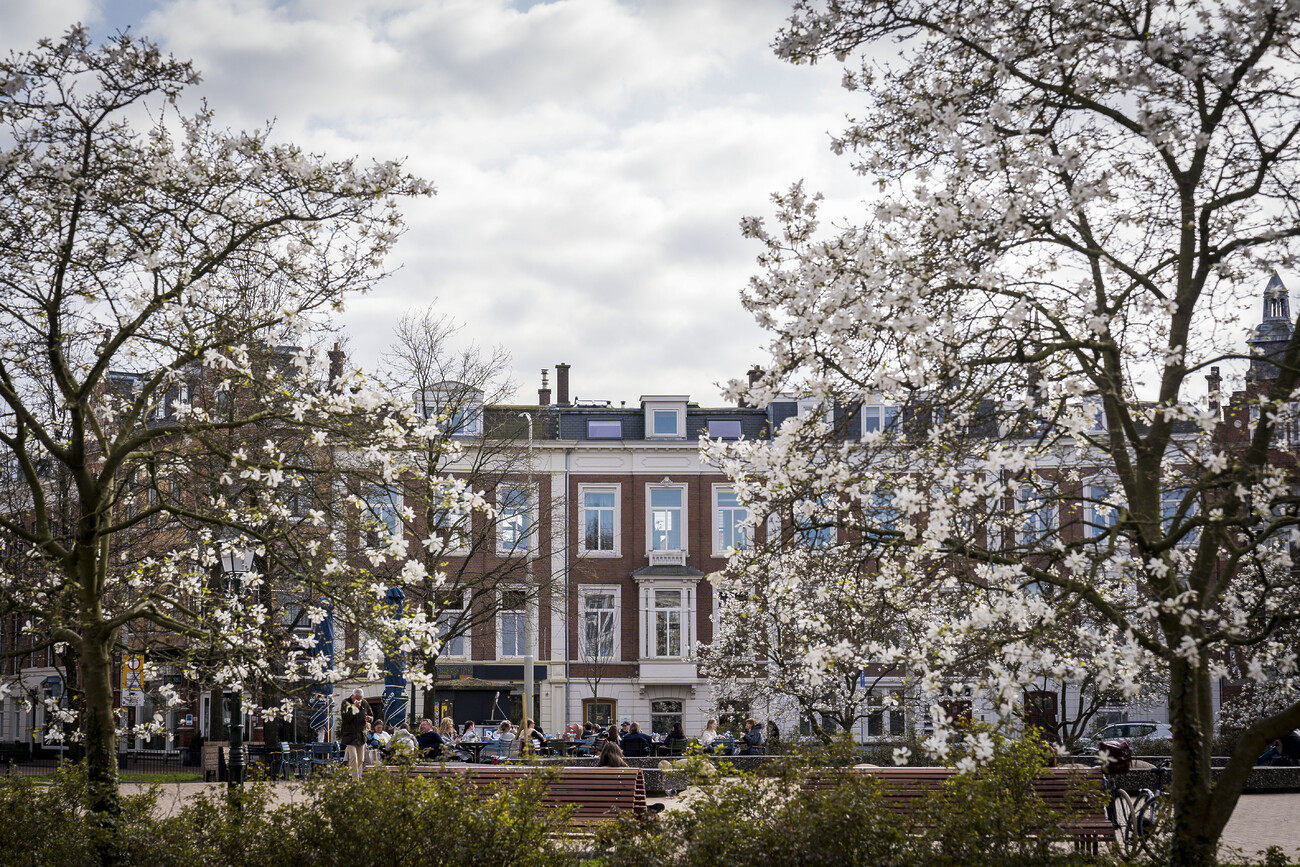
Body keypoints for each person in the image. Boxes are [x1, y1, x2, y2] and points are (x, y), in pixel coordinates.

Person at [339, 688, 371, 780]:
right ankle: (355, 781)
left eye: (360, 699)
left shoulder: (364, 703)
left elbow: (371, 714)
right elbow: (345, 718)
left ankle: (349, 772)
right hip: (349, 735)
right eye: (357, 699)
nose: (359, 701)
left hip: (361, 736)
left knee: (361, 759)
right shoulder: (346, 703)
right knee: (353, 758)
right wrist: (355, 708)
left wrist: (370, 718)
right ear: (352, 696)